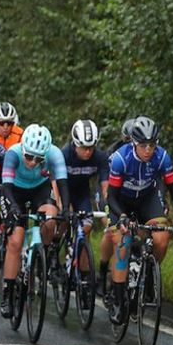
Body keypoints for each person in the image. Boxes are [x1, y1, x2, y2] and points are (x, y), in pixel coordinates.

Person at [106, 116, 173, 324]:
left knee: (161, 237)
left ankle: (151, 272)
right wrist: (122, 217)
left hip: (147, 199)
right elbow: (111, 196)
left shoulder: (162, 158)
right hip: (122, 201)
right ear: (134, 143)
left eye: (152, 145)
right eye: (143, 145)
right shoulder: (120, 159)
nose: (148, 150)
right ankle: (118, 300)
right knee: (123, 242)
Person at [0, 124, 69, 319]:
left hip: (40, 189)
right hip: (15, 191)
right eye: (29, 157)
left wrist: (65, 209)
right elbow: (6, 187)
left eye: (38, 159)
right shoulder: (13, 154)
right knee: (15, 241)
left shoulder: (54, 154)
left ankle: (41, 255)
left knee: (51, 219)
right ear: (23, 149)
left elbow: (63, 184)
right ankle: (7, 292)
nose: (32, 162)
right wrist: (13, 207)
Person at [61, 119, 110, 303]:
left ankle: (83, 276)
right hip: (63, 190)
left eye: (91, 147)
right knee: (64, 221)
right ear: (75, 144)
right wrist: (65, 208)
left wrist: (108, 207)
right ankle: (55, 255)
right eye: (84, 147)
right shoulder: (64, 155)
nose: (88, 152)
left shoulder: (100, 157)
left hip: (81, 193)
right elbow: (59, 185)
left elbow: (106, 187)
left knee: (85, 229)